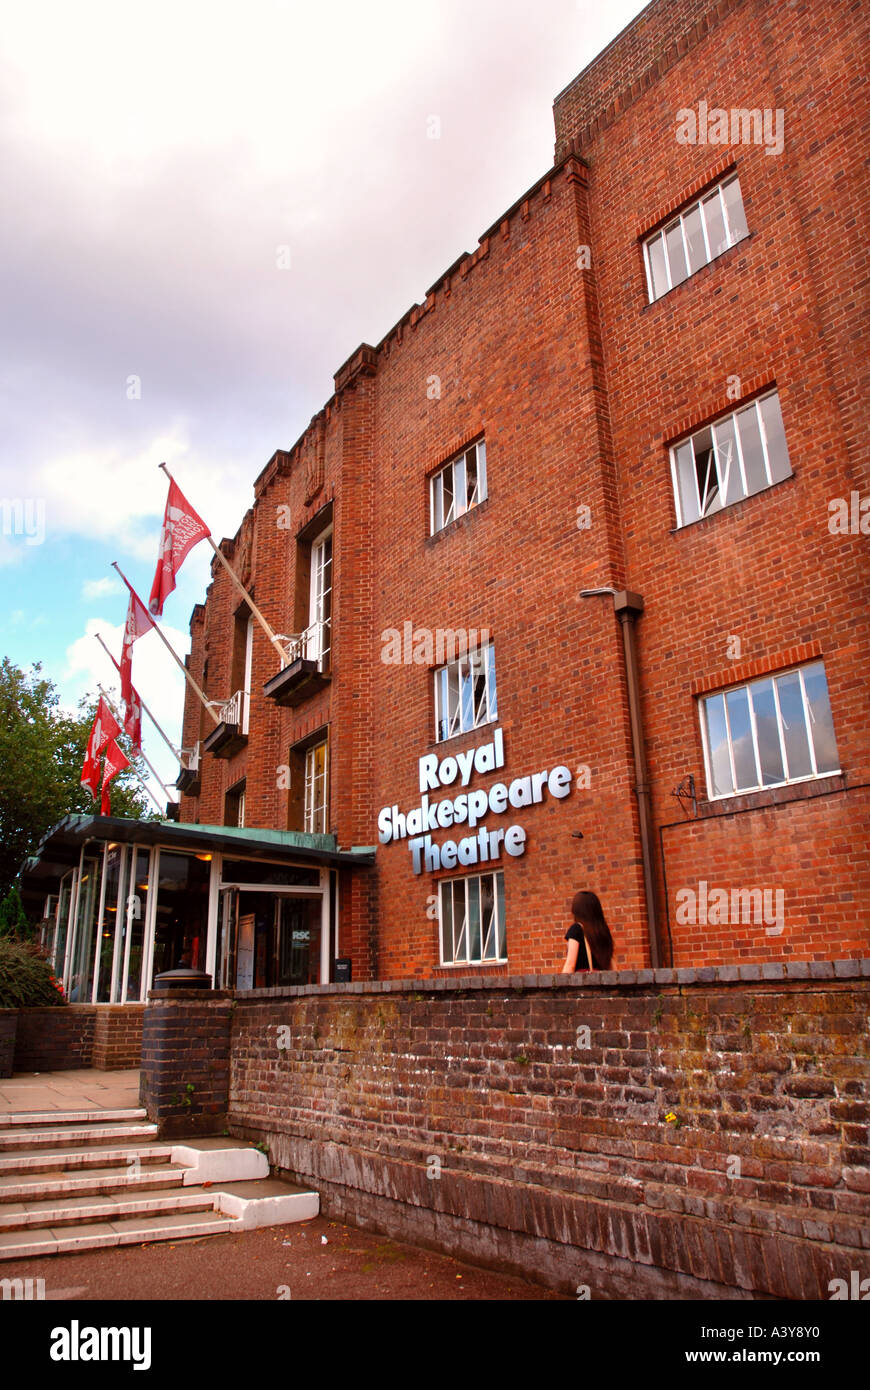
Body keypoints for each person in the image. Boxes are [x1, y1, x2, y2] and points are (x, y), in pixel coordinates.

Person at [560, 890, 614, 973]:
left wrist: (560, 984)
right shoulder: (603, 931)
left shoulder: (577, 929)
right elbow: (610, 964)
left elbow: (570, 964)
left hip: (583, 982)